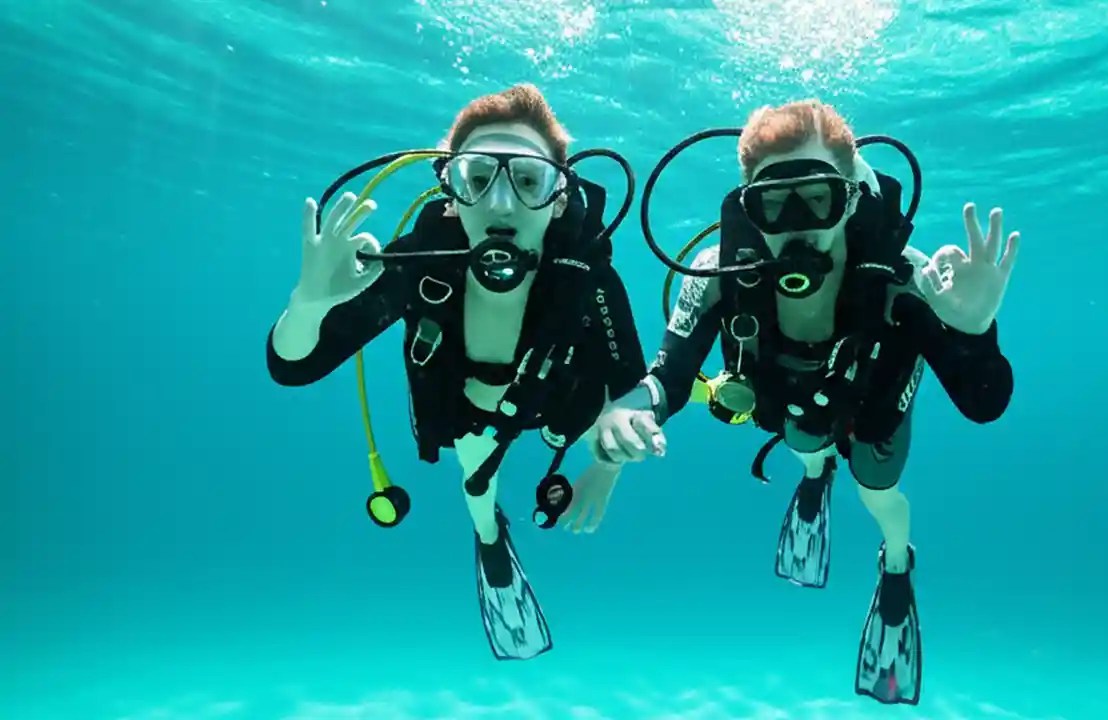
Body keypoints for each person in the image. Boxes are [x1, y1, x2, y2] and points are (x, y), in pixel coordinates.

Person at [589, 99, 1019, 704]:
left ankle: (896, 562)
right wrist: (631, 406)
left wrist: (975, 330)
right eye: (773, 203)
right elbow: (670, 375)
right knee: (805, 446)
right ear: (749, 207)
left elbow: (983, 402)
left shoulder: (903, 275)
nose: (797, 225)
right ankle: (816, 477)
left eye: (818, 198)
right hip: (792, 409)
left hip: (876, 407)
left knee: (878, 493)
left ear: (850, 197)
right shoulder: (718, 274)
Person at [265, 83, 646, 661]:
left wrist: (607, 465)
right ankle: (490, 539)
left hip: (559, 398)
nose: (501, 204)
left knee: (599, 421)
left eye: (528, 180)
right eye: (477, 178)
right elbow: (292, 366)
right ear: (452, 194)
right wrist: (309, 304)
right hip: (468, 410)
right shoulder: (421, 262)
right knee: (475, 479)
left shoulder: (584, 274)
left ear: (558, 198)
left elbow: (630, 391)